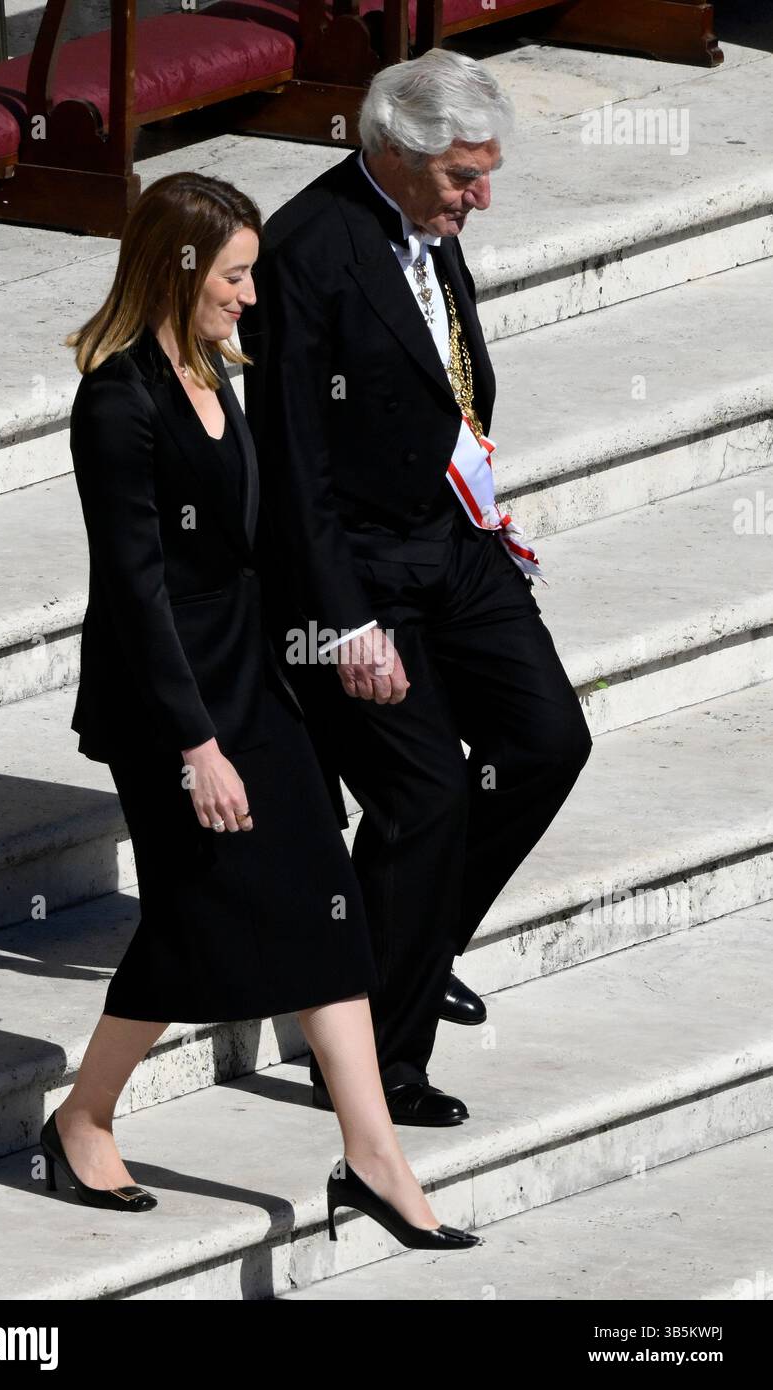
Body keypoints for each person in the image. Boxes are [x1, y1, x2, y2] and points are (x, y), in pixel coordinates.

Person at [42, 171, 477, 1252]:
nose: (251, 294)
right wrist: (197, 746)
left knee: (327, 891)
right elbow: (136, 592)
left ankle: (373, 1156)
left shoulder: (211, 372)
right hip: (169, 698)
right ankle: (82, 1117)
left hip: (252, 674)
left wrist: (330, 636)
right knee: (193, 919)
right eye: (235, 274)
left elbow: (258, 538)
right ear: (179, 269)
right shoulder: (117, 402)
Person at [240, 49, 593, 1126]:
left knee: (543, 744)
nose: (479, 198)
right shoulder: (306, 253)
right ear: (391, 151)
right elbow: (292, 464)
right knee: (422, 795)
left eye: (485, 174)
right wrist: (344, 622)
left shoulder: (429, 226)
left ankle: (416, 940)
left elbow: (445, 378)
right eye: (460, 179)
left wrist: (480, 502)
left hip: (451, 537)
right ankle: (373, 1059)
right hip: (347, 570)